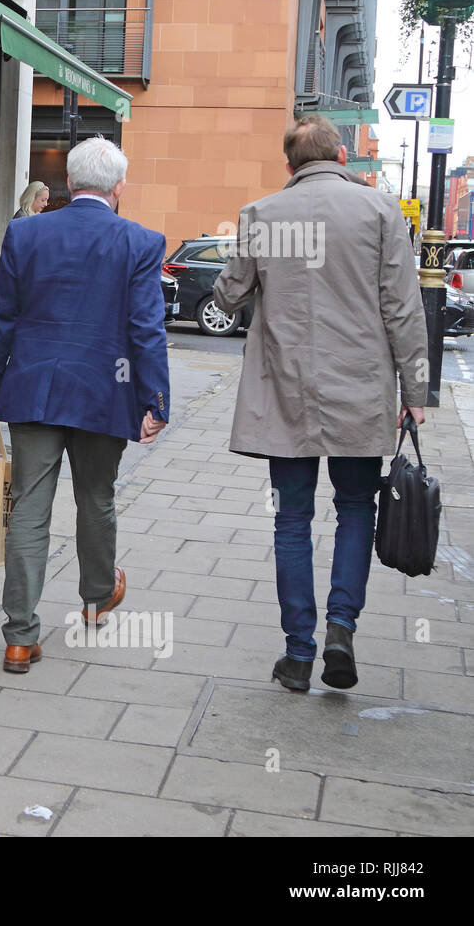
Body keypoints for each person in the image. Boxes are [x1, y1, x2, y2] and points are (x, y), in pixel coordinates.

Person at [212, 113, 428, 694]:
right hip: (361, 388)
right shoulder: (382, 212)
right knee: (358, 506)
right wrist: (416, 391)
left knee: (291, 519)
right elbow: (403, 308)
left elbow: (229, 297)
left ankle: (298, 652)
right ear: (340, 157)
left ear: (290, 165)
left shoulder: (261, 215)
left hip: (286, 391)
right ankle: (340, 628)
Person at [0, 136, 169, 674]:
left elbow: (1, 318)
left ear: (69, 182)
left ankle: (19, 635)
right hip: (106, 392)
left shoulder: (26, 232)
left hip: (33, 389)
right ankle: (98, 594)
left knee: (30, 508)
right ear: (119, 187)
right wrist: (155, 400)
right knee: (96, 497)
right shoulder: (141, 241)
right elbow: (146, 330)